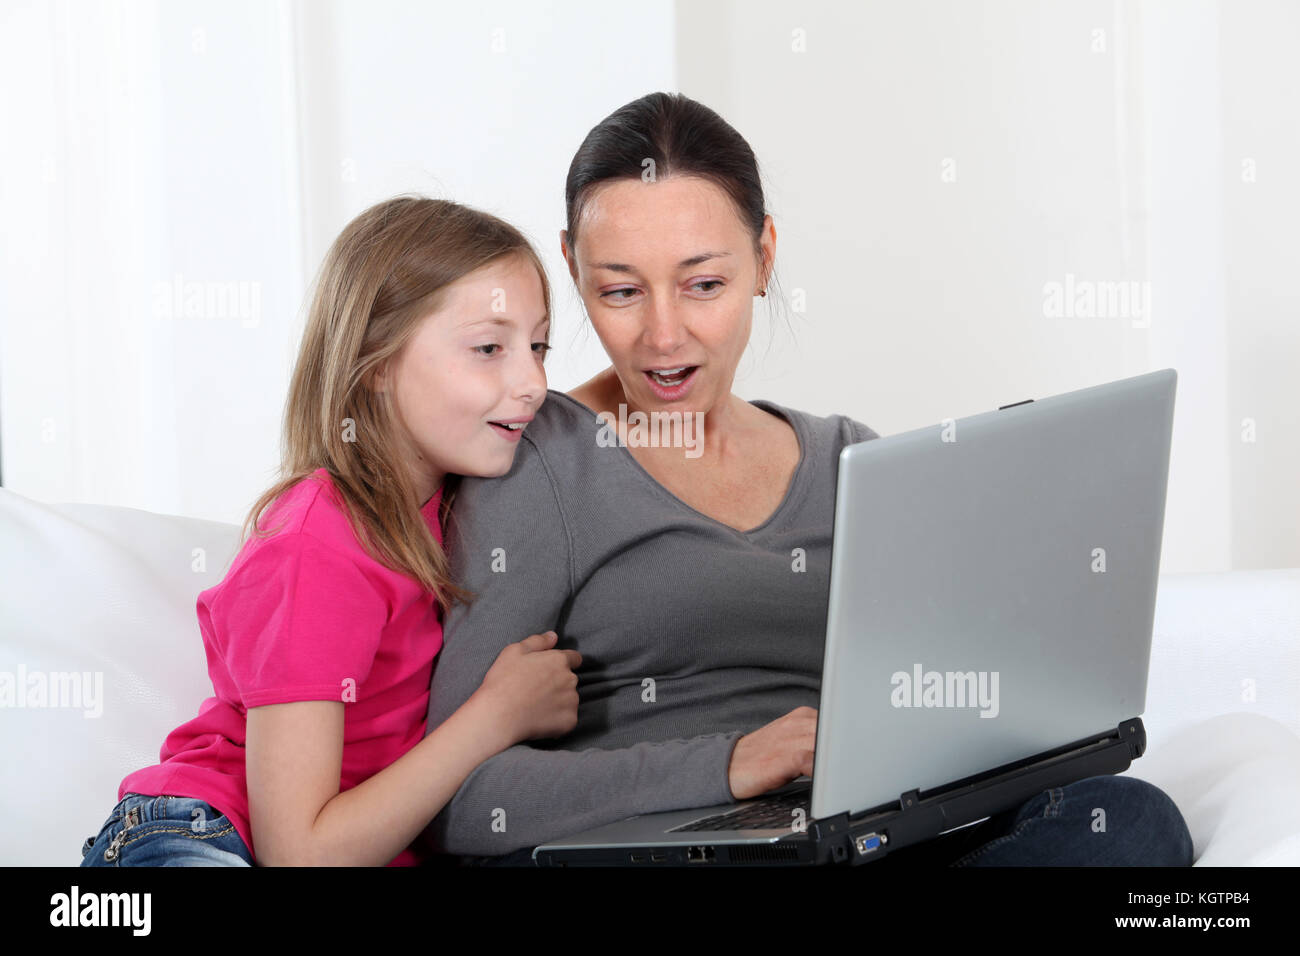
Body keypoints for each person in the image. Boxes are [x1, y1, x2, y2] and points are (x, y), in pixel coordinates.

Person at [419, 92, 1194, 867]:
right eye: (620, 290)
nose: (662, 335)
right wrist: (727, 765)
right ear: (572, 268)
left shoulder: (850, 460)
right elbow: (459, 800)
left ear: (763, 259)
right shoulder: (538, 459)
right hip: (676, 849)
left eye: (703, 285)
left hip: (861, 837)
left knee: (1128, 820)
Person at [79, 197, 581, 866]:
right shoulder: (318, 544)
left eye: (538, 346)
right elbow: (299, 853)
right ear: (377, 364)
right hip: (200, 832)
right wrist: (492, 720)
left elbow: (601, 415)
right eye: (490, 347)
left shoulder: (468, 500)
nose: (534, 382)